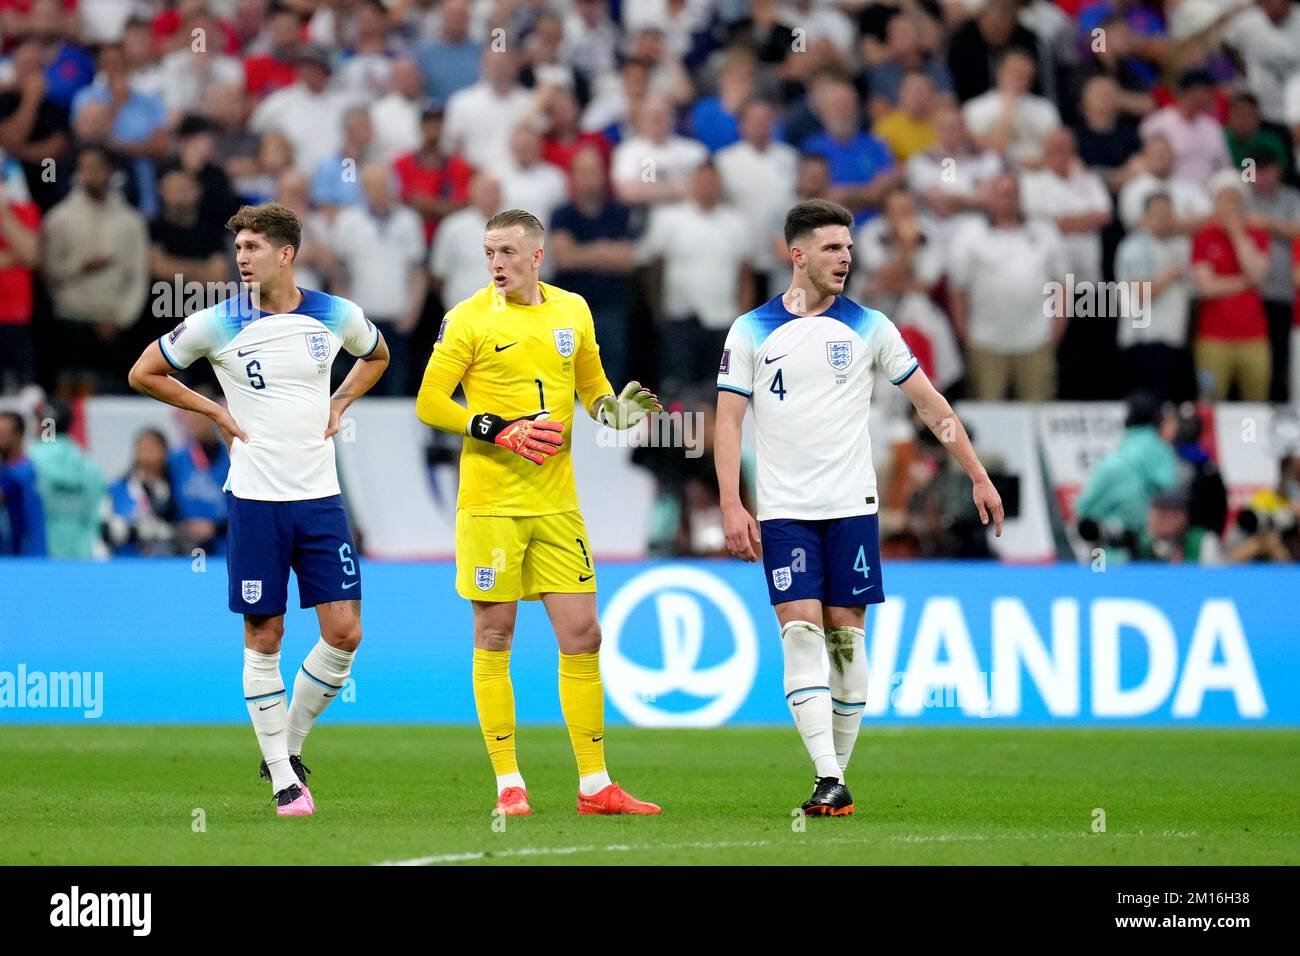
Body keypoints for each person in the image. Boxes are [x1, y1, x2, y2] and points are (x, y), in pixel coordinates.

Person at [714, 199, 1004, 816]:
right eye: (830, 248)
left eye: (848, 247)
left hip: (852, 508)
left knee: (846, 647)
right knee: (799, 633)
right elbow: (729, 422)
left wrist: (978, 476)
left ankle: (833, 780)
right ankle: (827, 775)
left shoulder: (872, 326)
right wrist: (731, 503)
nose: (845, 257)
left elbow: (933, 407)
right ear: (797, 255)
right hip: (785, 508)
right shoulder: (750, 330)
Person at [127, 202, 391, 816]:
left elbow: (376, 355)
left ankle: (288, 747)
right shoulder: (219, 322)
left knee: (345, 632)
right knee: (264, 635)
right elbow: (144, 371)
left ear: (286, 253)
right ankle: (281, 779)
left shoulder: (334, 314)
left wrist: (341, 401)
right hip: (255, 501)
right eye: (238, 248)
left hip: (321, 499)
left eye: (252, 248)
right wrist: (215, 410)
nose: (241, 258)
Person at [415, 207, 663, 818]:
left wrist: (618, 412)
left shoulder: (572, 311)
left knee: (584, 636)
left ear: (536, 257)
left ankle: (595, 785)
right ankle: (509, 783)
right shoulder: (467, 319)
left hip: (557, 506)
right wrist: (498, 430)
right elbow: (429, 401)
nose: (496, 264)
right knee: (495, 634)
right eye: (489, 252)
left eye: (506, 252)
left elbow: (593, 392)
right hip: (493, 504)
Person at [26, 399, 104, 559]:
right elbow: (96, 512)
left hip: (38, 554)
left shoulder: (29, 459)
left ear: (43, 425)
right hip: (81, 552)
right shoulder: (87, 462)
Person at [104, 427, 180, 557]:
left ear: (165, 453)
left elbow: (175, 529)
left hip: (163, 563)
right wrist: (145, 531)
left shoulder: (172, 488)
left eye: (152, 449)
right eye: (142, 449)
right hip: (125, 561)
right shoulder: (118, 488)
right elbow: (107, 530)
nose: (147, 456)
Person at [0, 410, 46, 556]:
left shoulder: (20, 473)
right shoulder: (23, 468)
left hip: (21, 558)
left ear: (18, 436)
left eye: (2, 433)